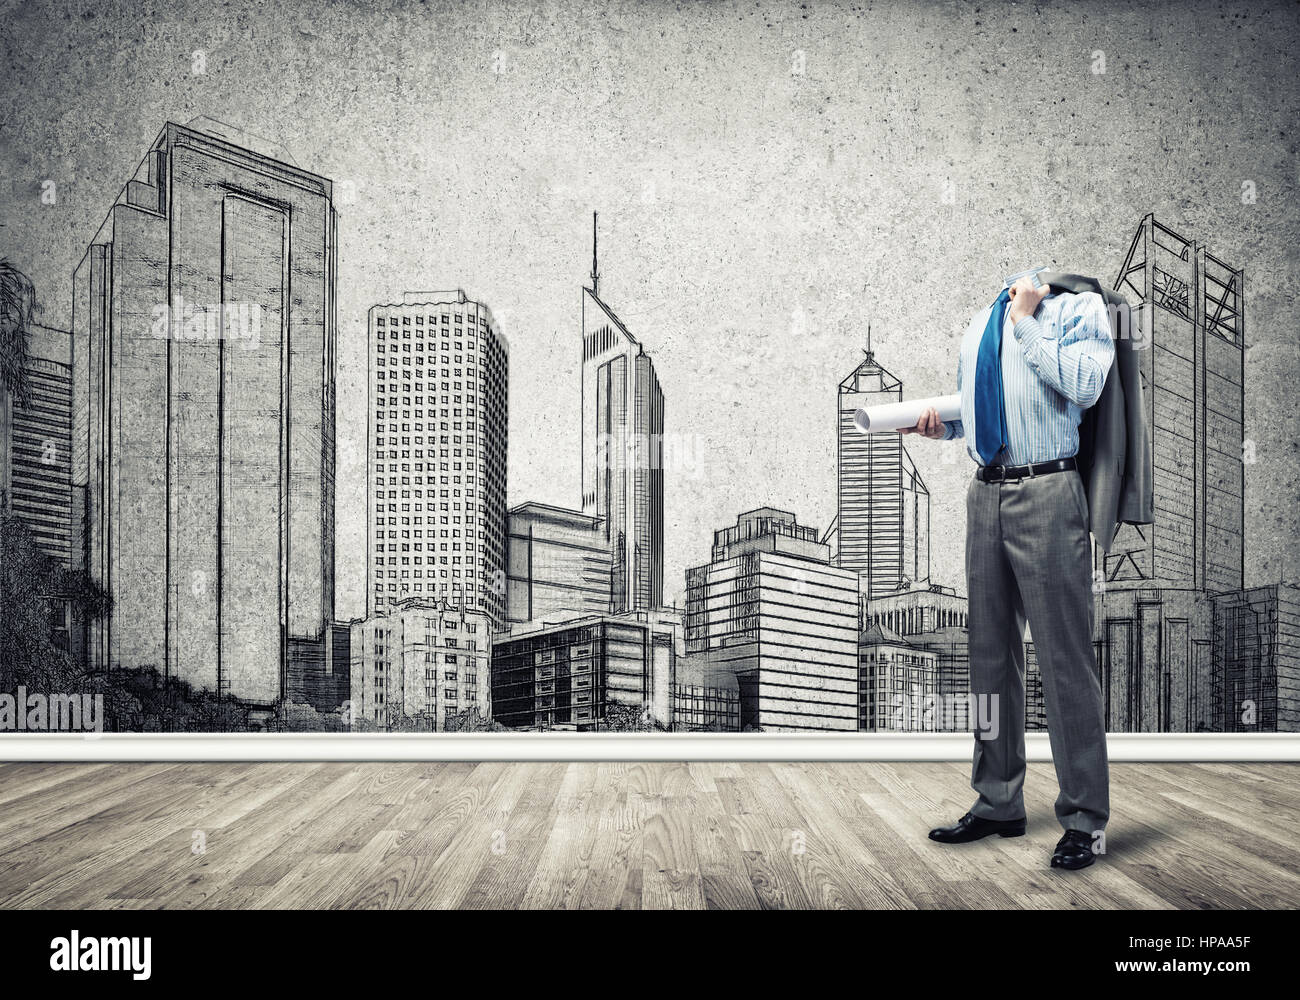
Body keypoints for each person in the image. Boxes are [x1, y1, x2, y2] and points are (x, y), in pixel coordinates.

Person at [902, 272, 1114, 870]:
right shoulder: (978, 324)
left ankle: (1084, 819)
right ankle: (997, 801)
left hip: (1049, 487)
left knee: (1064, 658)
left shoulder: (1079, 309)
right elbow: (989, 408)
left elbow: (1084, 384)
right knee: (990, 659)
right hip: (984, 493)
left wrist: (1024, 322)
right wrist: (947, 425)